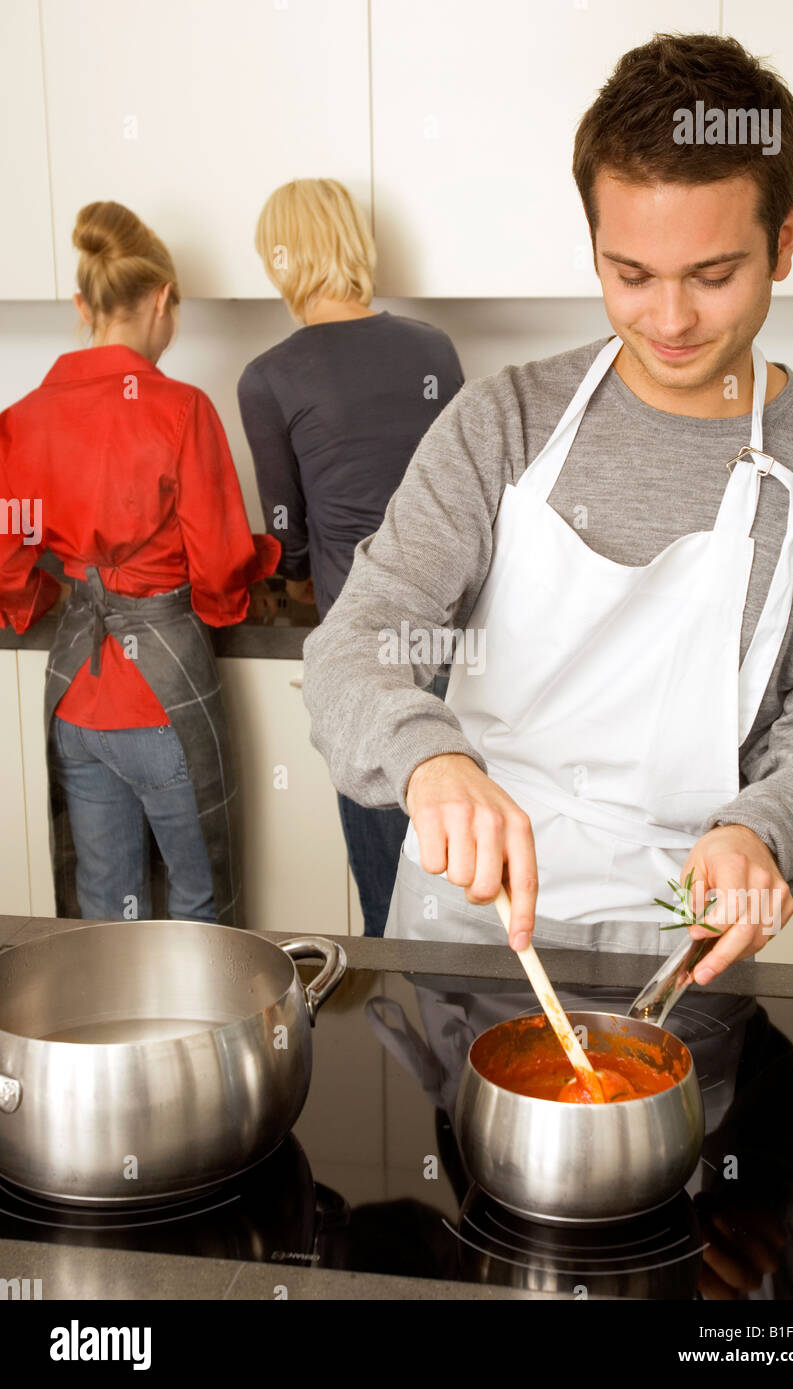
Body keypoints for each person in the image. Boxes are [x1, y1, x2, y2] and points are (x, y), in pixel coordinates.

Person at [302, 33, 793, 983]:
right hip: (463, 925)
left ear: (787, 237)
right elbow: (357, 640)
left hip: (684, 947)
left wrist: (763, 830)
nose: (671, 321)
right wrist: (430, 764)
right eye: (630, 275)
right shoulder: (501, 423)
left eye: (713, 275)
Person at [0, 200, 280, 925]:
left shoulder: (21, 419)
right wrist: (233, 599)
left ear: (81, 304)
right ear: (161, 300)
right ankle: (206, 1042)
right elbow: (220, 571)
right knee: (199, 903)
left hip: (73, 699)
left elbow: (7, 566)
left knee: (103, 911)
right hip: (164, 697)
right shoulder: (180, 409)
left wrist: (45, 603)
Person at [238, 178, 464, 935]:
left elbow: (285, 527)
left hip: (362, 656)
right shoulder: (433, 349)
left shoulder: (269, 376)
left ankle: (400, 1045)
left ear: (281, 258)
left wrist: (296, 583)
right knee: (467, 892)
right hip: (456, 639)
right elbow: (470, 496)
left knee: (386, 906)